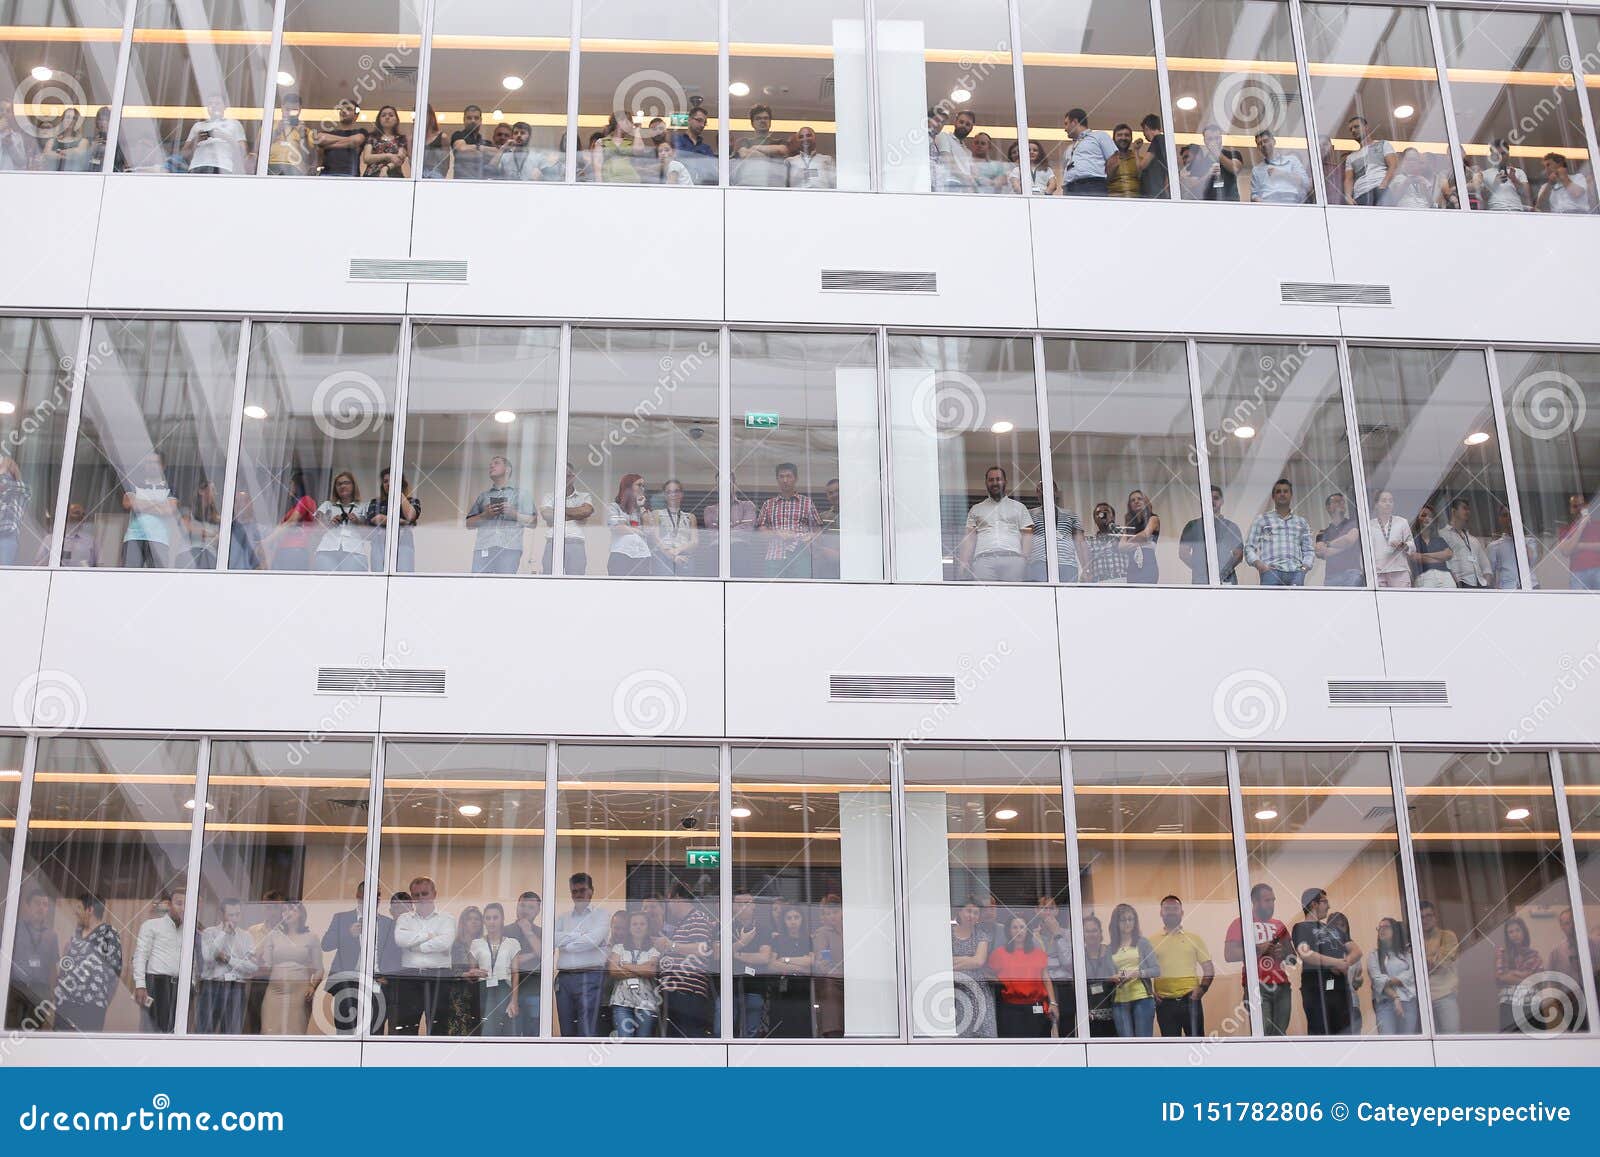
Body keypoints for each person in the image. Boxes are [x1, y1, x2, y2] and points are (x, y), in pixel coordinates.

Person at [1224, 883, 1294, 1035]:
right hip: (1256, 985)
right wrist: (1258, 949)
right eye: (1267, 900)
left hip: (1282, 984)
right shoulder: (1241, 923)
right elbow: (1229, 955)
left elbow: (1293, 959)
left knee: (1280, 1034)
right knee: (1263, 1032)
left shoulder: (1279, 925)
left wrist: (1283, 953)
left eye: (1273, 900)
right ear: (1255, 901)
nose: (1271, 904)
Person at [321, 882, 386, 1035]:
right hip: (347, 981)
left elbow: (391, 955)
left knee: (374, 1029)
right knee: (345, 1029)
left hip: (375, 981)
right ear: (358, 896)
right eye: (369, 895)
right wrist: (348, 934)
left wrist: (387, 976)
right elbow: (326, 945)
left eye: (377, 896)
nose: (374, 899)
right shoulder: (341, 918)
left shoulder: (386, 922)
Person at [392, 876, 454, 1035]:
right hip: (410, 977)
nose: (420, 898)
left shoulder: (447, 919)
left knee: (439, 1028)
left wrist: (415, 947)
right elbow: (400, 939)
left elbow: (445, 942)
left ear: (434, 894)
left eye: (424, 893)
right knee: (406, 1028)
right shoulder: (404, 918)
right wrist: (429, 936)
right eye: (416, 895)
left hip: (439, 976)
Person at [52, 894, 123, 1033]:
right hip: (65, 1005)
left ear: (90, 910)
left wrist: (101, 1003)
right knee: (60, 1044)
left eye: (79, 907)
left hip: (91, 1009)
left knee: (84, 1045)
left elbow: (114, 976)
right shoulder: (76, 934)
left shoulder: (108, 934)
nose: (75, 912)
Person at [656, 883, 719, 1037]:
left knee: (687, 1039)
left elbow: (701, 949)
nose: (668, 906)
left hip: (687, 993)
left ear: (677, 898)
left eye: (669, 901)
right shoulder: (683, 922)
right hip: (675, 992)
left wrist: (670, 945)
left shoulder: (697, 918)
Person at [1292, 887, 1355, 1035]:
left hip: (1339, 986)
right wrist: (1336, 963)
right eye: (1325, 902)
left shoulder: (1333, 929)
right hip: (1316, 986)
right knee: (1319, 1031)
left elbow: (1356, 950)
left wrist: (1344, 964)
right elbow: (1306, 954)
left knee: (1345, 1032)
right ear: (1314, 904)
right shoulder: (1300, 927)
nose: (1329, 906)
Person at [554, 872, 609, 1037]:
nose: (578, 895)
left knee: (587, 1031)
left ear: (592, 891)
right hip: (564, 979)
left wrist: (568, 943)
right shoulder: (562, 918)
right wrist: (580, 936)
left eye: (582, 890)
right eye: (574, 891)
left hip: (590, 976)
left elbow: (593, 940)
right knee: (567, 1031)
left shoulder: (601, 915)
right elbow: (553, 939)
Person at [1150, 895, 1214, 1037]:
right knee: (1171, 1047)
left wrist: (1202, 989)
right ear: (1161, 913)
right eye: (1167, 908)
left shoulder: (1195, 938)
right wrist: (1151, 993)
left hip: (1191, 1000)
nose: (1171, 912)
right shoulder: (1151, 941)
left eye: (1175, 908)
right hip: (1164, 1004)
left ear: (1182, 912)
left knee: (1197, 1044)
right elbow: (1143, 970)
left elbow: (1208, 968)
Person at [257, 900, 321, 1035]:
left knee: (295, 1032)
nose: (287, 913)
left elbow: (319, 969)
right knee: (270, 1032)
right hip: (274, 992)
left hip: (299, 993)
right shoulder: (273, 936)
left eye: (292, 909)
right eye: (284, 910)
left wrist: (312, 986)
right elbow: (266, 965)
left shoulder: (312, 937)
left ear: (301, 914)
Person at [958, 465, 1032, 582]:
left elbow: (1027, 534)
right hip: (983, 560)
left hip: (1013, 559)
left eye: (998, 479)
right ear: (986, 483)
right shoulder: (976, 509)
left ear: (1005, 481)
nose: (995, 483)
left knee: (1012, 593)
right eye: (991, 480)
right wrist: (964, 561)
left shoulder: (1019, 507)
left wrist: (1024, 558)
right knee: (985, 593)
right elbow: (970, 538)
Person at [465, 455, 534, 574]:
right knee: (479, 584)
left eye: (496, 463)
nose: (491, 466)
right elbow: (468, 524)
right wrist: (484, 515)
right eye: (490, 465)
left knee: (504, 584)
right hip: (483, 548)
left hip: (510, 549)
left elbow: (533, 522)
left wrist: (513, 514)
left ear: (508, 469)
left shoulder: (522, 494)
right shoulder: (484, 496)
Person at [988, 914, 1054, 1037]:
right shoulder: (999, 953)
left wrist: (1053, 1003)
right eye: (1015, 927)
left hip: (1036, 1007)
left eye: (1022, 927)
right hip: (1009, 1008)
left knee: (1038, 1044)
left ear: (1027, 930)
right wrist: (1001, 982)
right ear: (1008, 931)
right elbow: (987, 974)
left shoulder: (1038, 954)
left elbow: (1046, 978)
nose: (1019, 930)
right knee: (1012, 1046)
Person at [197, 898, 256, 1035]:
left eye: (237, 914)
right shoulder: (210, 932)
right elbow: (209, 958)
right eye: (231, 915)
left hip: (236, 987)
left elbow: (253, 967)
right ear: (222, 914)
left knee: (232, 1032)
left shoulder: (246, 936)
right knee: (205, 1031)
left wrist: (228, 959)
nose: (234, 919)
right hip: (212, 985)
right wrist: (224, 933)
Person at [755, 461, 821, 579]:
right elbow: (760, 528)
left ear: (796, 478)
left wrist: (809, 539)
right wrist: (776, 533)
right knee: (772, 588)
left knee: (801, 587)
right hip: (775, 553)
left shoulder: (807, 502)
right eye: (781, 476)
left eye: (788, 476)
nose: (785, 480)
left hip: (801, 553)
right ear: (777, 479)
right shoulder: (768, 504)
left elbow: (818, 528)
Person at [1245, 478, 1315, 586]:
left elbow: (1309, 550)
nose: (1282, 494)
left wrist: (1304, 569)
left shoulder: (1302, 522)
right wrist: (1261, 566)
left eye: (1285, 491)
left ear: (1291, 495)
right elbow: (1249, 548)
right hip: (1270, 573)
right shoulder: (1262, 520)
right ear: (1273, 497)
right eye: (1278, 491)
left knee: (1297, 598)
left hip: (1296, 573)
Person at [133, 888, 185, 1033]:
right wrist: (140, 985)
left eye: (187, 904)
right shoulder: (151, 925)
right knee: (150, 1030)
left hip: (180, 986)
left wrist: (192, 984)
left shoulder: (189, 930)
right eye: (179, 903)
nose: (183, 908)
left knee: (175, 1031)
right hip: (155, 983)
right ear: (169, 904)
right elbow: (140, 955)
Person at [7, 884, 57, 1030]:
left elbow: (53, 967)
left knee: (32, 1033)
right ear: (27, 906)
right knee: (11, 1030)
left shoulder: (51, 935)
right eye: (37, 903)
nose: (41, 908)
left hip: (40, 992)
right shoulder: (14, 928)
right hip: (16, 988)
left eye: (45, 905)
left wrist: (51, 995)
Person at [606, 909, 661, 1038]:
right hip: (622, 1003)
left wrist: (625, 966)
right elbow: (614, 970)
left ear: (648, 927)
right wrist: (641, 970)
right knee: (624, 1040)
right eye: (634, 924)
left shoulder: (654, 950)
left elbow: (651, 971)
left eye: (642, 924)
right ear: (629, 928)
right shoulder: (618, 948)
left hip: (646, 1004)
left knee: (643, 1041)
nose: (638, 927)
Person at [1107, 903, 1158, 1037]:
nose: (1127, 923)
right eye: (1123, 920)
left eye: (1131, 919)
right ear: (1116, 923)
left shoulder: (1143, 943)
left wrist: (1137, 973)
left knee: (1143, 1041)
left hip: (1142, 997)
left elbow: (1156, 970)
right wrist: (1113, 977)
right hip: (1119, 1000)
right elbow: (1107, 973)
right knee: (1125, 1042)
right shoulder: (1110, 948)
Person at [121, 450, 178, 568]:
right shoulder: (134, 483)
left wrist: (140, 505)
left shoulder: (170, 487)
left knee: (157, 577)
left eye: (155, 462)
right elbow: (127, 503)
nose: (151, 466)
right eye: (148, 463)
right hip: (134, 537)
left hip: (159, 539)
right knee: (129, 576)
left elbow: (169, 510)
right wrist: (159, 505)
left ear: (163, 466)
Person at [765, 905, 815, 1037]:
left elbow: (810, 962)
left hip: (803, 989)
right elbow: (771, 965)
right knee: (781, 1025)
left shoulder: (808, 939)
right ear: (784, 920)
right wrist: (800, 966)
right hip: (782, 989)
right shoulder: (777, 939)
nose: (793, 921)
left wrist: (785, 960)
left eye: (796, 917)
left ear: (802, 919)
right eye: (789, 918)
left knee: (802, 1024)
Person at [949, 899, 996, 1037]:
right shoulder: (947, 933)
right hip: (954, 991)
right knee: (961, 1033)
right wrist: (969, 959)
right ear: (960, 912)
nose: (972, 915)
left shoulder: (981, 934)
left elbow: (979, 961)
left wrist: (956, 960)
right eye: (968, 911)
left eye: (976, 913)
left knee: (983, 1034)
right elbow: (944, 962)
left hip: (977, 991)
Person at [1180, 485, 1243, 585]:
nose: (1212, 501)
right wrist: (1201, 570)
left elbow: (1238, 554)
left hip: (1227, 580)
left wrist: (1223, 572)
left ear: (1222, 501)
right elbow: (1183, 553)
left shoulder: (1231, 526)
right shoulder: (1192, 525)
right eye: (1209, 498)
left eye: (1216, 498)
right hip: (1201, 580)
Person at [1368, 916, 1419, 1035]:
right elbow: (1377, 980)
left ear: (1395, 931)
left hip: (1408, 1002)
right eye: (1379, 927)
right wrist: (1396, 997)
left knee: (1408, 1041)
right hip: (1385, 1004)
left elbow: (1411, 976)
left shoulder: (1407, 955)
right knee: (1388, 1041)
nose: (1382, 930)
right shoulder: (1374, 955)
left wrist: (1387, 981)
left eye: (1386, 927)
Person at [540, 464, 594, 575]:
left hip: (576, 542)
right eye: (562, 476)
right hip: (553, 541)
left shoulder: (584, 496)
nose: (565, 479)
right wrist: (576, 513)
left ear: (574, 477)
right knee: (549, 578)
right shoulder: (549, 496)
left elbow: (586, 511)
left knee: (576, 580)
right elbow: (547, 514)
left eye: (568, 475)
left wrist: (557, 512)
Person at [1028, 481, 1086, 583]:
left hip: (1067, 564)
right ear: (1037, 494)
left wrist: (1086, 569)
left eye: (1048, 489)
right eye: (1040, 490)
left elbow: (1080, 543)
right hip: (1039, 563)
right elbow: (1025, 541)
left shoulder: (1070, 514)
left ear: (1056, 492)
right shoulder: (1030, 514)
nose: (1044, 492)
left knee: (1067, 593)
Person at [1033, 897, 1075, 1034]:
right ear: (1036, 911)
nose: (1048, 912)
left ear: (1057, 911)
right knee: (1043, 1029)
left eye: (1051, 908)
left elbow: (1068, 962)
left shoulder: (1067, 934)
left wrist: (1057, 934)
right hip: (1042, 986)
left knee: (1067, 1029)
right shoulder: (1032, 936)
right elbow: (1036, 965)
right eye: (1043, 908)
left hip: (1063, 985)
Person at [439, 905, 484, 1036]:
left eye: (477, 919)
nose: (473, 922)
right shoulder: (454, 944)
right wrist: (464, 974)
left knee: (478, 1033)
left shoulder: (484, 943)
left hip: (479, 994)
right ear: (463, 923)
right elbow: (446, 969)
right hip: (459, 995)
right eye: (469, 919)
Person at [1418, 901, 1461, 1033]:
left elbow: (1442, 962)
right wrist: (1431, 959)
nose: (1425, 920)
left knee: (1450, 1038)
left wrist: (1424, 962)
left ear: (1435, 917)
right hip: (1423, 1000)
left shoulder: (1447, 936)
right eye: (1421, 917)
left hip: (1445, 995)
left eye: (1428, 916)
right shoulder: (1415, 941)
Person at [1495, 916, 1544, 1033]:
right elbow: (1501, 977)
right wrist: (1525, 978)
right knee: (1510, 1041)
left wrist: (1513, 973)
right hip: (1509, 1004)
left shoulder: (1534, 954)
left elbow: (1538, 980)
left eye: (1517, 930)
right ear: (1507, 935)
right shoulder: (1503, 953)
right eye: (1510, 932)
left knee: (1535, 1040)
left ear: (1524, 932)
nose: (1514, 934)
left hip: (1532, 1004)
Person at [730, 892, 770, 1036]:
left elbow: (764, 958)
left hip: (754, 986)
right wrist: (742, 943)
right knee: (722, 1030)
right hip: (728, 987)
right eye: (738, 903)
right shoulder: (724, 926)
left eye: (746, 903)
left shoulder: (763, 928)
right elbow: (717, 954)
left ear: (754, 906)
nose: (742, 906)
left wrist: (735, 954)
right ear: (732, 906)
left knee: (751, 1034)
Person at [313, 471, 370, 571]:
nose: (342, 486)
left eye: (346, 483)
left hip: (354, 551)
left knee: (350, 580)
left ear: (353, 486)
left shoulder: (363, 506)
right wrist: (329, 524)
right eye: (339, 484)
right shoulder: (327, 505)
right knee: (326, 580)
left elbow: (369, 533)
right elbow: (315, 528)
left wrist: (357, 522)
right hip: (327, 550)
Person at [1053, 108, 1114, 196]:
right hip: (1069, 190)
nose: (1065, 129)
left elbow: (1114, 159)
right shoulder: (1069, 149)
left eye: (1066, 124)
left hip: (1093, 187)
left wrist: (1103, 181)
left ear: (1075, 122)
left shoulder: (1099, 136)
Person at [368, 468, 418, 572]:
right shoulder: (376, 502)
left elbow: (410, 516)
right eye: (385, 481)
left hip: (404, 545)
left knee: (403, 576)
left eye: (393, 480)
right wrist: (402, 521)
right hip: (379, 545)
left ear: (401, 483)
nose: (389, 484)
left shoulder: (412, 501)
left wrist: (399, 492)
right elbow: (376, 519)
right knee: (378, 576)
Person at [183, 94, 246, 175]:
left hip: (223, 167)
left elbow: (243, 152)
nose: (213, 106)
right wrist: (195, 140)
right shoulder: (198, 125)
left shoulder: (234, 124)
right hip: (197, 166)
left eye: (217, 103)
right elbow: (184, 154)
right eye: (210, 104)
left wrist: (223, 136)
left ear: (225, 107)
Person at [605, 473, 654, 576]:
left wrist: (641, 507)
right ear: (628, 487)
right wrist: (638, 531)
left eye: (643, 486)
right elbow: (617, 528)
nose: (642, 488)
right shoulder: (614, 507)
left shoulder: (643, 510)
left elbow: (648, 531)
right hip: (621, 554)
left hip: (642, 556)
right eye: (639, 485)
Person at [507, 891, 542, 1035]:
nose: (525, 910)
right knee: (511, 1035)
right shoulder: (505, 931)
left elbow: (546, 956)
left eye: (531, 907)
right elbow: (507, 961)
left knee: (533, 1036)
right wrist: (534, 954)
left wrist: (528, 932)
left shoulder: (542, 932)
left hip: (534, 991)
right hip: (508, 992)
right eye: (522, 905)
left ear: (538, 911)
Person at [811, 897, 846, 1038]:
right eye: (828, 913)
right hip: (834, 983)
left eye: (835, 912)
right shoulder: (822, 933)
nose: (832, 916)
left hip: (852, 982)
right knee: (835, 1029)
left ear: (842, 912)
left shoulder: (851, 928)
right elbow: (823, 960)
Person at [650, 478, 700, 576]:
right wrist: (672, 556)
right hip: (663, 556)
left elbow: (694, 541)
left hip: (684, 556)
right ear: (665, 495)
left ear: (681, 494)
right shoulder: (657, 514)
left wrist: (677, 551)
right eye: (669, 492)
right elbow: (655, 538)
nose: (673, 495)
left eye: (676, 491)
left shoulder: (690, 517)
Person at [1343, 115, 1396, 205]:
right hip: (1360, 195)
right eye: (1351, 129)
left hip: (1380, 189)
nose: (1353, 130)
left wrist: (1384, 184)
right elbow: (1348, 179)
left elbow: (1393, 166)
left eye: (1356, 127)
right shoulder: (1350, 157)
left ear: (1366, 127)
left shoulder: (1383, 144)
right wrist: (1348, 196)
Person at [1182, 123, 1243, 201]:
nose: (1214, 142)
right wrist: (1208, 174)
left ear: (1221, 139)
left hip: (1230, 202)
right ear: (1205, 141)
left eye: (1217, 138)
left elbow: (1236, 169)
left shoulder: (1233, 154)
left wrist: (1218, 154)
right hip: (1209, 203)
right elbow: (1192, 186)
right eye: (1210, 139)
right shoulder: (1200, 162)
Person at [1440, 497, 1491, 589]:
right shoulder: (1443, 534)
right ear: (1453, 511)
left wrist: (1486, 584)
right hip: (1460, 585)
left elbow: (1486, 566)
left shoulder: (1473, 540)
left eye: (1468, 509)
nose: (1468, 512)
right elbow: (1443, 563)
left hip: (1480, 585)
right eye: (1464, 508)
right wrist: (1456, 585)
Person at [1081, 913, 1118, 1037]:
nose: (1091, 934)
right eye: (1087, 931)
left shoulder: (1111, 952)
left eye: (1094, 930)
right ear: (1082, 934)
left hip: (1114, 1012)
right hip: (1089, 1016)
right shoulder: (1079, 955)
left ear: (1100, 932)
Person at [733, 104, 789, 186]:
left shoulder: (780, 142)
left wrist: (754, 148)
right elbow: (744, 154)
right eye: (758, 118)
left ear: (770, 122)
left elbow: (782, 150)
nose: (762, 121)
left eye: (766, 118)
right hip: (749, 185)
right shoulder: (744, 141)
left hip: (775, 186)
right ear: (752, 123)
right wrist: (773, 160)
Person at [1315, 493, 1364, 587]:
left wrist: (1328, 545)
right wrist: (1344, 546)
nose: (1341, 504)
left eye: (1343, 502)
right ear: (1328, 508)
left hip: (1352, 574)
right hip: (1331, 577)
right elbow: (1320, 552)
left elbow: (1349, 540)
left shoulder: (1354, 524)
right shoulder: (1323, 532)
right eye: (1337, 501)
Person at [1470, 138, 1530, 211]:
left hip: (1516, 210)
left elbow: (1527, 195)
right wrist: (1495, 184)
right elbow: (1482, 198)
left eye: (1503, 153)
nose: (1500, 157)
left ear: (1508, 154)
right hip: (1496, 211)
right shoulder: (1484, 174)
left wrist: (1514, 180)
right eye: (1497, 154)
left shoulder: (1518, 172)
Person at [1251, 130, 1310, 203]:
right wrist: (1265, 205)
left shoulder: (1292, 160)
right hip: (1268, 205)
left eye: (1265, 141)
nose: (1263, 145)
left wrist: (1282, 174)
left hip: (1293, 203)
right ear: (1258, 148)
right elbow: (1254, 195)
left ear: (1274, 141)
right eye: (1259, 143)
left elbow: (1305, 183)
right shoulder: (1256, 170)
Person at [1370, 490, 1414, 587]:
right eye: (1384, 501)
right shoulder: (1369, 525)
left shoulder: (1402, 522)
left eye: (1391, 501)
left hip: (1399, 570)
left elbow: (1412, 545)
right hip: (1378, 571)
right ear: (1376, 505)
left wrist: (1403, 545)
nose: (1388, 503)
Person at [1330, 911, 1364, 1034]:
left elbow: (1355, 983)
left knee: (1355, 1040)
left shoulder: (1354, 951)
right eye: (1335, 926)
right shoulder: (1327, 951)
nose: (1340, 929)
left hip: (1353, 1004)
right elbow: (1327, 983)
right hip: (1334, 1006)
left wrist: (1358, 981)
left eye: (1342, 925)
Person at [1556, 493, 1600, 589]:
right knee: (1578, 598)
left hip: (1598, 568)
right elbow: (1566, 551)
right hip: (1578, 572)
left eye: (1582, 505)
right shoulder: (1566, 528)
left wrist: (1579, 546)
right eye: (1575, 506)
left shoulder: (1597, 524)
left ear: (1588, 506)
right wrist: (1580, 526)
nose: (1579, 508)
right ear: (1571, 509)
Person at [926, 106, 973, 193]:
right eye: (937, 120)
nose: (939, 125)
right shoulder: (941, 137)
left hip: (961, 190)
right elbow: (947, 162)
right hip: (946, 187)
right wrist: (967, 180)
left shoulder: (968, 151)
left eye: (942, 122)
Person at [315, 98, 367, 176]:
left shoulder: (360, 131)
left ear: (356, 116)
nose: (343, 111)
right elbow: (320, 138)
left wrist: (327, 145)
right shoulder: (328, 132)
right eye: (341, 109)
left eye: (348, 109)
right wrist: (349, 142)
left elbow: (356, 141)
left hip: (350, 176)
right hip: (327, 176)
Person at [267, 93, 315, 174]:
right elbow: (259, 148)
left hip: (295, 168)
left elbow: (311, 159)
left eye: (294, 110)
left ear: (300, 110)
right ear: (282, 108)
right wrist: (277, 131)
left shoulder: (306, 131)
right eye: (287, 109)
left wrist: (303, 137)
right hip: (270, 166)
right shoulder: (269, 127)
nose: (290, 113)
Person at [1411, 503, 1454, 589]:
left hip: (1445, 576)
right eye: (1423, 515)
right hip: (1424, 577)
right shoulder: (1414, 541)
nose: (1427, 518)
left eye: (1430, 516)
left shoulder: (1439, 539)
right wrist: (1440, 557)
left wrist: (1423, 555)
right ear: (1418, 519)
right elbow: (1415, 558)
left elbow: (1449, 554)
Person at [0, 452, 31, 566]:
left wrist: (4, 469)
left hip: (6, 537)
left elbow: (8, 484)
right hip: (7, 538)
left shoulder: (19, 491)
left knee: (4, 573)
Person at [1123, 490, 1160, 584]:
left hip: (1148, 565)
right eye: (1133, 500)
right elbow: (1120, 546)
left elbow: (1144, 535)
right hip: (1132, 567)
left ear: (1145, 501)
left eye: (1139, 499)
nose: (1136, 501)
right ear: (1130, 505)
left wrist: (1129, 542)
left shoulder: (1153, 518)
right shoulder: (1129, 524)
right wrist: (1137, 541)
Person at [448, 105, 495, 180]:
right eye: (469, 118)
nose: (473, 121)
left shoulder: (486, 142)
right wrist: (480, 148)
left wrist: (473, 149)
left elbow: (496, 153)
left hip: (481, 182)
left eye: (476, 118)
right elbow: (462, 149)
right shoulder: (458, 135)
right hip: (462, 182)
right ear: (464, 120)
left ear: (481, 121)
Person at [673, 105, 717, 185]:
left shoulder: (706, 149)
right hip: (680, 186)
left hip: (702, 188)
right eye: (699, 120)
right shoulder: (676, 141)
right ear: (689, 120)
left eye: (704, 123)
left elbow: (712, 171)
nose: (702, 125)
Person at [1088, 502, 1130, 583]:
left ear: (1113, 517)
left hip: (1122, 581)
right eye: (1098, 513)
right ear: (1095, 520)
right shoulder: (1090, 541)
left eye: (1106, 512)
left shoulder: (1123, 534)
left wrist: (1110, 523)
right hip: (1100, 583)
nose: (1102, 514)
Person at [361, 104, 408, 178]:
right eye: (383, 115)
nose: (387, 117)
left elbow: (400, 159)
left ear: (396, 120)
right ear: (379, 120)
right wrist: (388, 156)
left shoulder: (401, 139)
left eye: (391, 115)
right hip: (372, 176)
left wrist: (385, 168)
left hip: (394, 176)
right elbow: (367, 158)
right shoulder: (372, 137)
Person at [182, 481, 221, 569]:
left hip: (211, 556)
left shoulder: (217, 516)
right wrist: (210, 534)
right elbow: (186, 526)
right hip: (192, 553)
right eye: (213, 490)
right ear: (201, 491)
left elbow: (222, 537)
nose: (215, 493)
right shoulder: (188, 511)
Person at [813, 478, 843, 580]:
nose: (835, 495)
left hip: (853, 563)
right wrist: (823, 551)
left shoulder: (858, 515)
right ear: (827, 497)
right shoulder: (822, 517)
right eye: (830, 493)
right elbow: (815, 540)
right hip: (828, 566)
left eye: (837, 491)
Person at [1105, 123, 1142, 197]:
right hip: (1114, 199)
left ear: (1131, 139)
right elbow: (1104, 181)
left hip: (1136, 199)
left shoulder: (1138, 158)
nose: (1123, 138)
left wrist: (1136, 151)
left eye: (1127, 135)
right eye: (1119, 135)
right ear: (1113, 139)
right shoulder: (1107, 159)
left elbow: (1142, 176)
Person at [416, 106, 452, 179]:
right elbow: (412, 163)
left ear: (431, 117)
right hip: (419, 177)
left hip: (436, 177)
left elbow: (446, 164)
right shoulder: (414, 138)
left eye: (424, 115)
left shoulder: (442, 137)